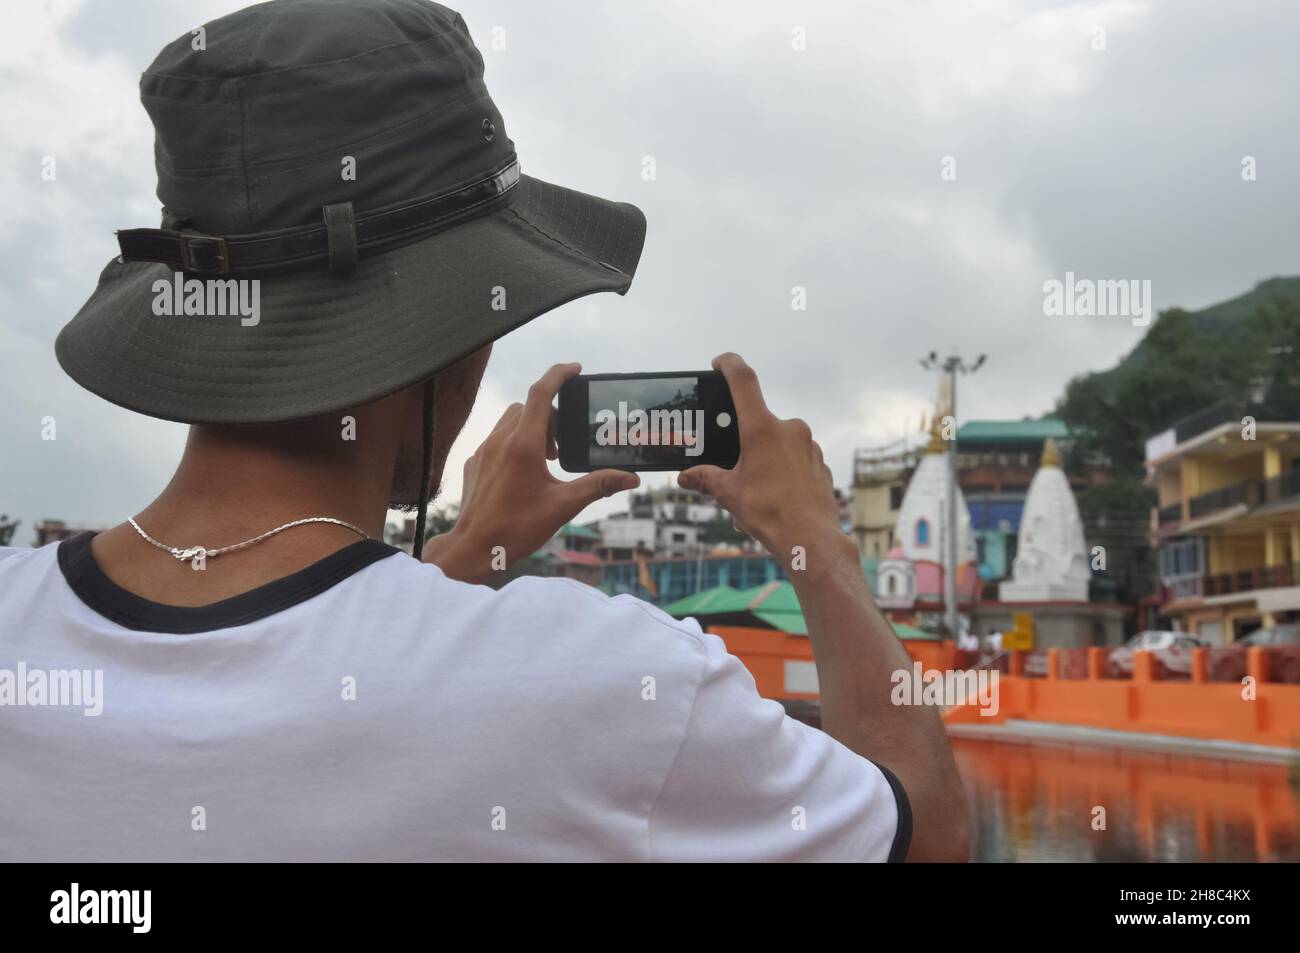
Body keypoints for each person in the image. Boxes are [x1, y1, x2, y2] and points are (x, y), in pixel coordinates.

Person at [0, 0, 967, 862]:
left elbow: (320, 668)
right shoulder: (605, 681)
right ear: (443, 325)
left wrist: (461, 556)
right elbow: (925, 834)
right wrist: (820, 545)